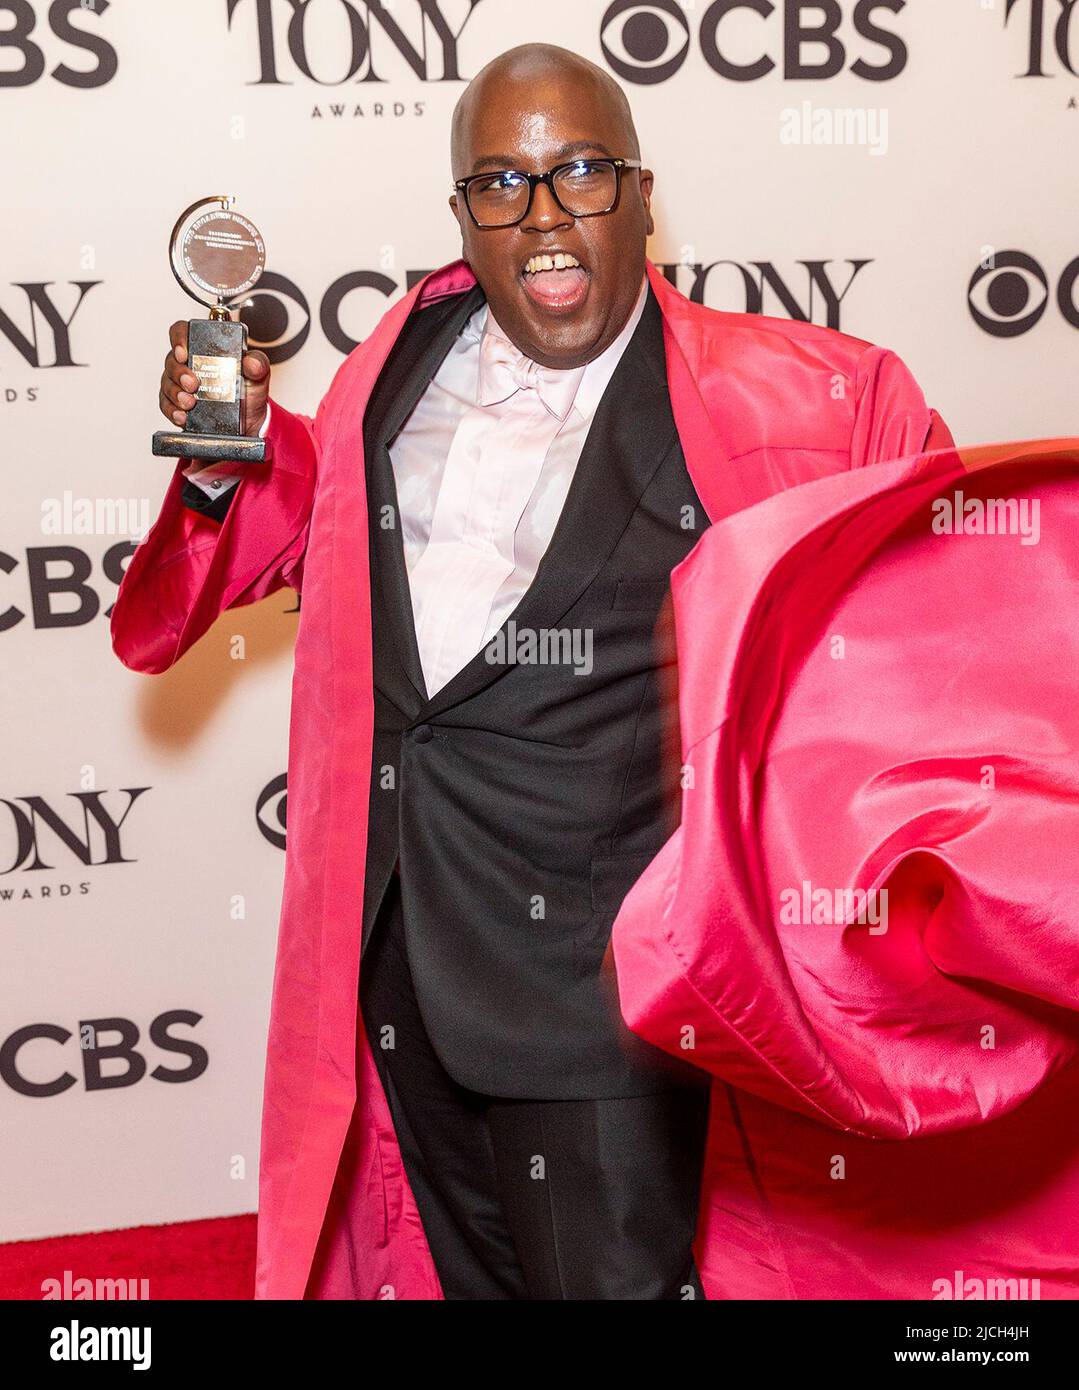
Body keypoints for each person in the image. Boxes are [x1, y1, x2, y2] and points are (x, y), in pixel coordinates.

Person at [115, 43, 951, 1300]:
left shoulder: (784, 406)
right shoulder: (395, 363)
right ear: (463, 216)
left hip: (601, 1007)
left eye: (580, 175)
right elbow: (327, 536)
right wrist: (230, 455)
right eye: (502, 183)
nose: (545, 216)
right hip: (404, 973)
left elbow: (929, 623)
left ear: (641, 193)